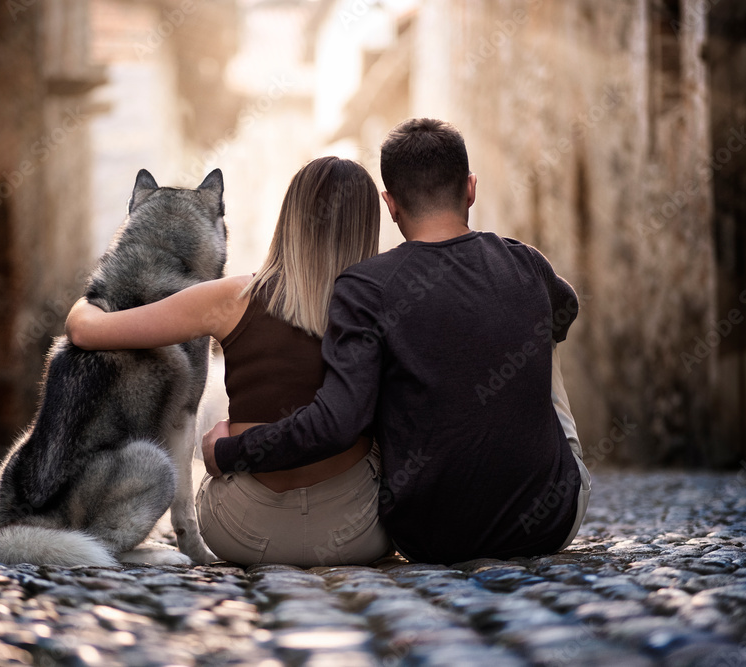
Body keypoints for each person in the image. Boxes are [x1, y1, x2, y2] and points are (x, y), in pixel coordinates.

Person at [203, 118, 591, 565]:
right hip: (552, 522)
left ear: (390, 204)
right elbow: (569, 306)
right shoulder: (527, 262)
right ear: (470, 189)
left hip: (429, 538)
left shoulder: (366, 287)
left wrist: (228, 450)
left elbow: (335, 423)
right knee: (543, 324)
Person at [65, 156, 393, 567]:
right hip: (357, 534)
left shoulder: (229, 297)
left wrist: (85, 301)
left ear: (288, 218)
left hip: (243, 532)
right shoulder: (388, 300)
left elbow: (86, 331)